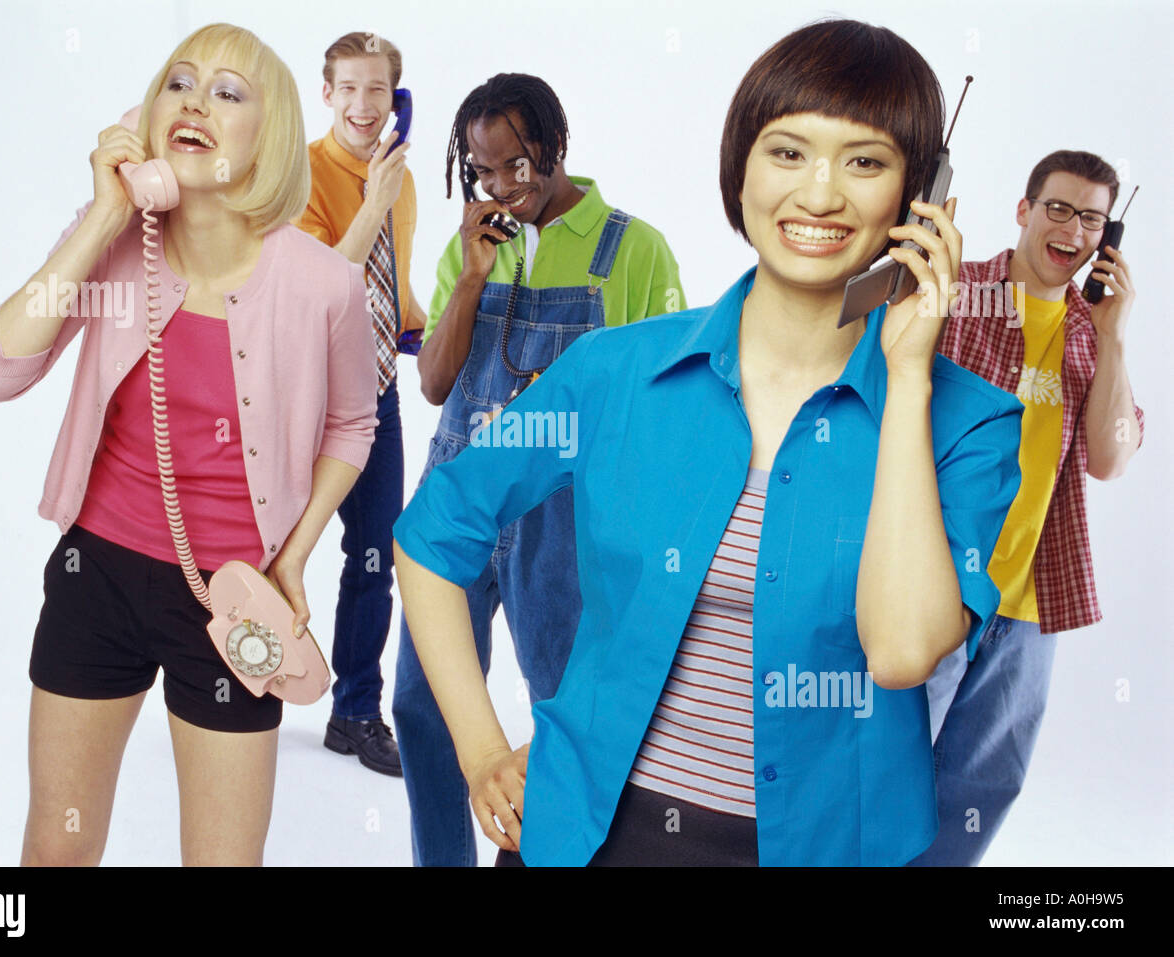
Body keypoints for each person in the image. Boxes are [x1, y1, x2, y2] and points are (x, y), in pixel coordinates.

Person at [392, 19, 1024, 866]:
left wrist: (907, 376)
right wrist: (480, 752)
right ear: (742, 167)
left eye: (864, 161)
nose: (820, 194)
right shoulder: (615, 372)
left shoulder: (970, 425)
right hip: (584, 833)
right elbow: (435, 532)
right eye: (788, 152)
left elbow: (903, 650)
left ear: (924, 198)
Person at [0, 23, 376, 866]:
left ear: (274, 135)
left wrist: (293, 556)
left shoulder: (321, 283)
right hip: (96, 576)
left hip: (234, 600)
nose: (194, 102)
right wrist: (106, 215)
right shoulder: (115, 247)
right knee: (56, 849)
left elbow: (351, 423)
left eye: (229, 92)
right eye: (179, 83)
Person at [394, 72, 684, 865]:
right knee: (422, 704)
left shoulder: (633, 249)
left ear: (555, 149)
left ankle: (541, 854)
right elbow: (433, 384)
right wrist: (474, 277)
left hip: (562, 515)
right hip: (458, 501)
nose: (499, 186)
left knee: (565, 707)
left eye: (513, 165)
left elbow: (661, 410)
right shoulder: (471, 245)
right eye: (482, 170)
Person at [912, 150, 1145, 866]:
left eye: (1092, 218)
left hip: (1032, 605)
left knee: (983, 784)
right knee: (881, 761)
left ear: (1106, 236)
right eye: (1059, 208)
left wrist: (1112, 336)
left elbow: (1111, 456)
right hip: (936, 578)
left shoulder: (1089, 333)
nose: (1072, 229)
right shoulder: (957, 292)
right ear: (1024, 210)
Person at [294, 31, 426, 777]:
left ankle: (354, 712)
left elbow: (394, 281)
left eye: (378, 89)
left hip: (376, 390)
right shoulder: (301, 171)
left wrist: (428, 329)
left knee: (376, 553)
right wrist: (373, 200)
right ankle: (241, 681)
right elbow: (324, 279)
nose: (364, 104)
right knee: (272, 544)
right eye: (349, 88)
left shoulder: (401, 178)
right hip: (305, 393)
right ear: (327, 94)